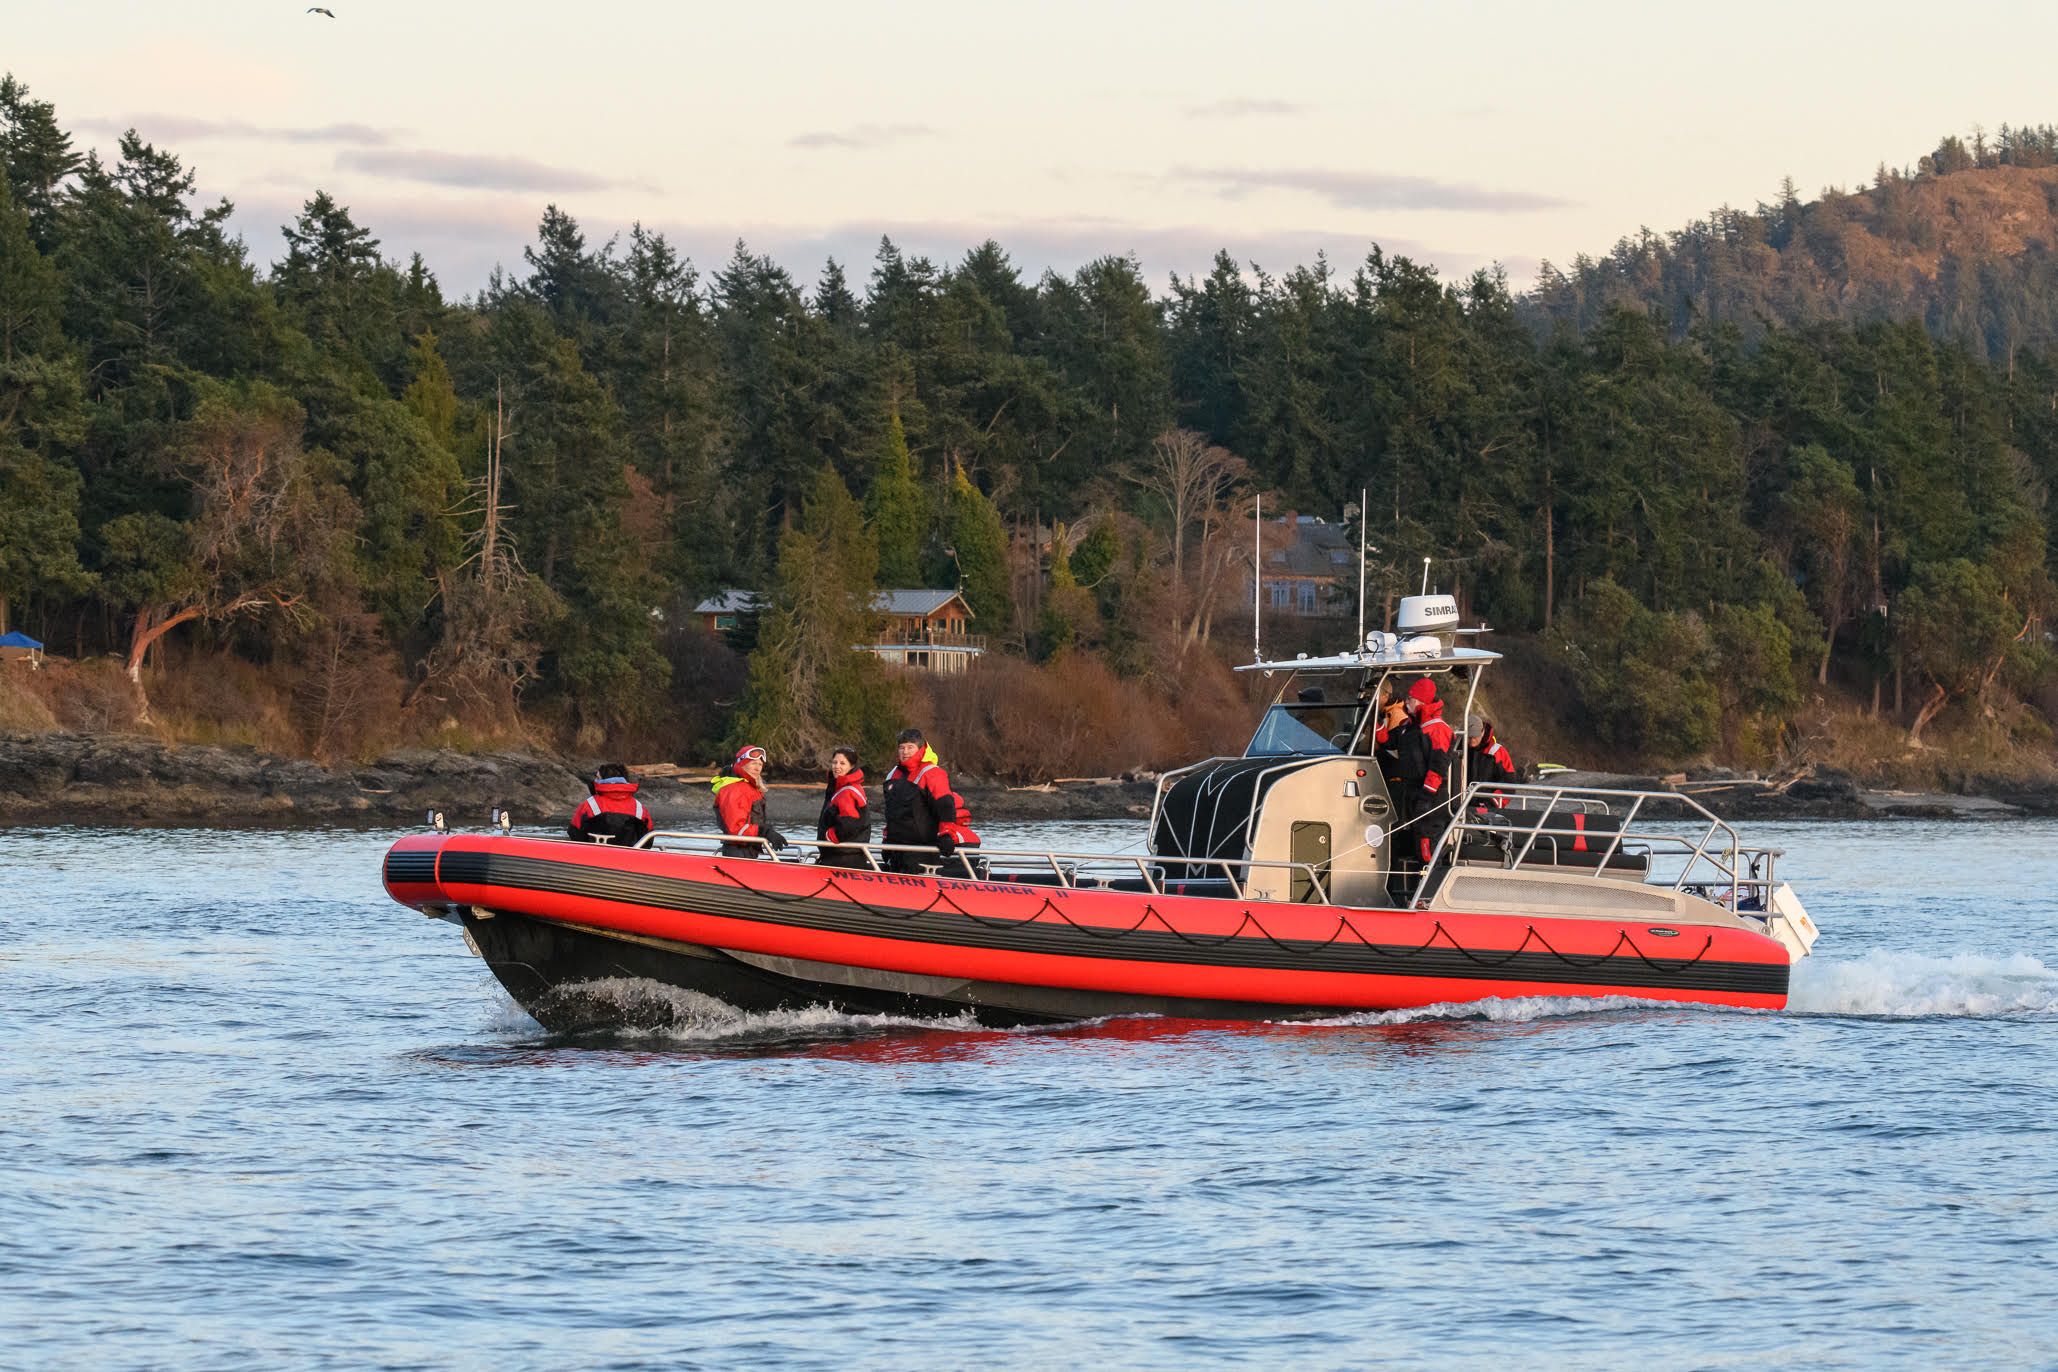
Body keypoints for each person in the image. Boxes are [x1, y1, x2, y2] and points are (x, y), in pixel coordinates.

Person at [1387, 677, 1455, 884]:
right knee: (1411, 842)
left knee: (1427, 845)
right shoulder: (1409, 726)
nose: (1407, 702)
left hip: (1431, 797)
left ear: (1421, 702)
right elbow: (1390, 741)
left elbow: (1438, 766)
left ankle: (1430, 889)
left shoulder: (1437, 729)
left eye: (1411, 699)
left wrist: (1426, 796)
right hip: (1411, 792)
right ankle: (1410, 889)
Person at [882, 728, 966, 874]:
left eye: (910, 747)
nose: (905, 752)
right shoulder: (892, 775)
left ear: (921, 749)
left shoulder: (932, 773)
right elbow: (890, 812)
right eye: (901, 748)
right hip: (897, 848)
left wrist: (946, 834)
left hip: (922, 849)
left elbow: (945, 806)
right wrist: (886, 839)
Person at [711, 744, 788, 859]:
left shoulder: (749, 788)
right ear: (742, 764)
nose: (757, 768)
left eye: (760, 764)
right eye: (753, 763)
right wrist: (764, 831)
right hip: (738, 853)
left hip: (748, 852)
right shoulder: (735, 789)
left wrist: (765, 832)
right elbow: (736, 829)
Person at [567, 763, 652, 846]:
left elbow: (574, 833)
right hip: (628, 858)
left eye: (597, 777)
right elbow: (648, 841)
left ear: (603, 780)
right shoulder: (639, 808)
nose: (594, 780)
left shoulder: (590, 805)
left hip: (593, 856)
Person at [815, 746, 871, 869]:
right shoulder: (841, 788)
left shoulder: (847, 791)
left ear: (851, 766)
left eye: (842, 763)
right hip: (841, 855)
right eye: (834, 762)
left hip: (843, 858)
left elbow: (849, 824)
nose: (837, 766)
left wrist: (828, 837)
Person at [1467, 717, 1518, 811]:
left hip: (1489, 809)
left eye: (1475, 736)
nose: (1472, 740)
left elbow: (1509, 783)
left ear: (1482, 732)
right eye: (1469, 737)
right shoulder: (1458, 750)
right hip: (1460, 807)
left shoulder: (1497, 752)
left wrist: (1492, 803)